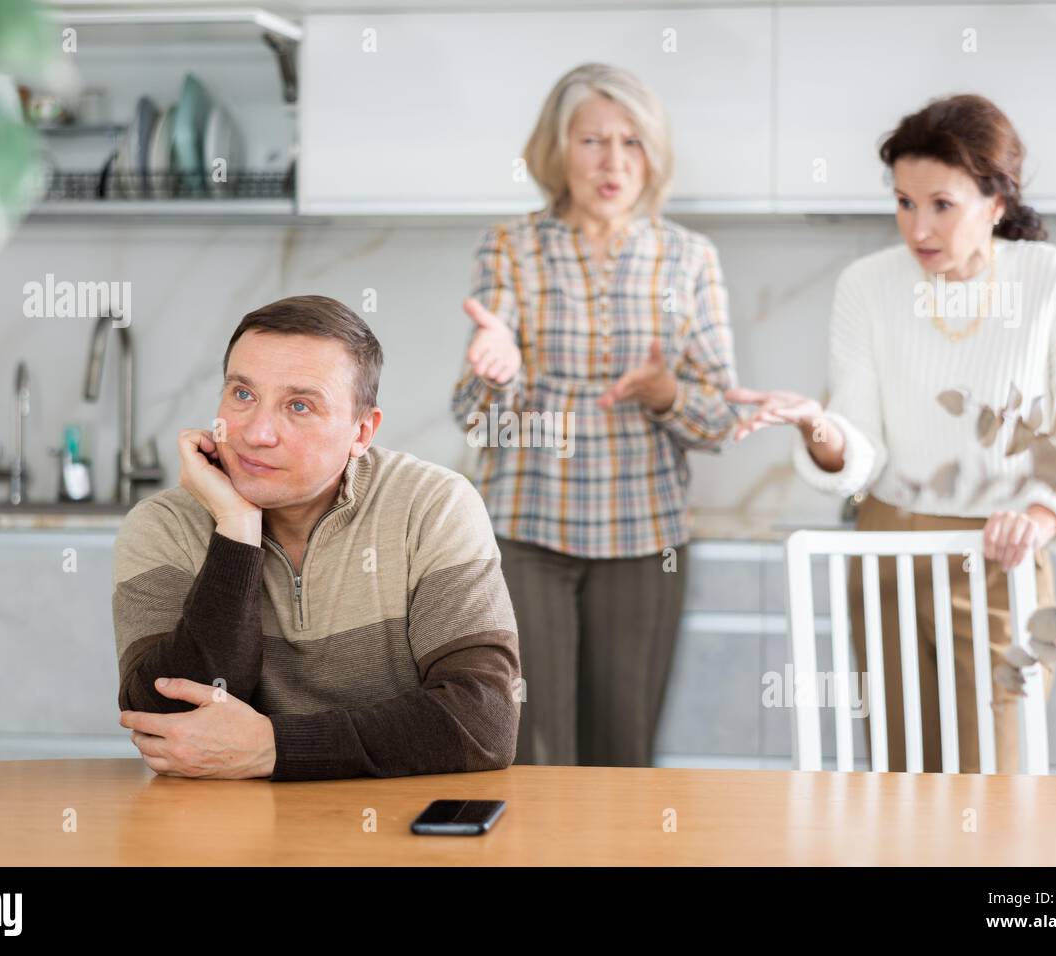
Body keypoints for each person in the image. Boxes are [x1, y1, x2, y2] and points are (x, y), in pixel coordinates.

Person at [726, 95, 1056, 772]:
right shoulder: (866, 286)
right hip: (885, 549)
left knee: (997, 775)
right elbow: (861, 444)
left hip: (1002, 555)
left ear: (996, 200)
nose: (918, 227)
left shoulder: (1054, 279)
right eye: (904, 202)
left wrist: (1044, 517)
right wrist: (822, 429)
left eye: (942, 204)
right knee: (903, 776)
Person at [451, 63, 738, 767]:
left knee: (624, 753)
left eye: (631, 142)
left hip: (646, 538)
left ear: (654, 155)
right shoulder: (510, 247)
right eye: (591, 140)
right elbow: (472, 412)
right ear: (557, 149)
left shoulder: (689, 258)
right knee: (531, 750)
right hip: (526, 530)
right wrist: (499, 365)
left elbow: (720, 419)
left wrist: (666, 393)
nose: (613, 161)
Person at [114, 295, 520, 780]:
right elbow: (169, 723)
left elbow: (485, 721)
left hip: (399, 831)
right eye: (242, 394)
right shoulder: (162, 527)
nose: (256, 433)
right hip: (224, 834)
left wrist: (275, 748)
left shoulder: (432, 506)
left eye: (299, 405)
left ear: (362, 431)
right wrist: (237, 530)